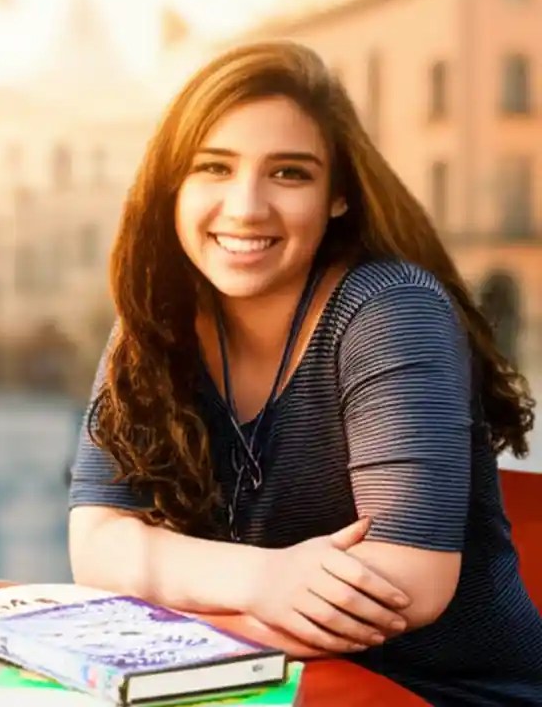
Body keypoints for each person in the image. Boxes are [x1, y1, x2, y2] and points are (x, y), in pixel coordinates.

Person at [67, 40, 542, 705]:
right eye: (214, 168)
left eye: (289, 174)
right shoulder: (152, 321)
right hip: (252, 684)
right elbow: (95, 544)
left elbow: (407, 582)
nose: (246, 207)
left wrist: (176, 595)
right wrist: (261, 582)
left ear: (338, 195)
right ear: (172, 183)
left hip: (440, 694)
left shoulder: (389, 311)